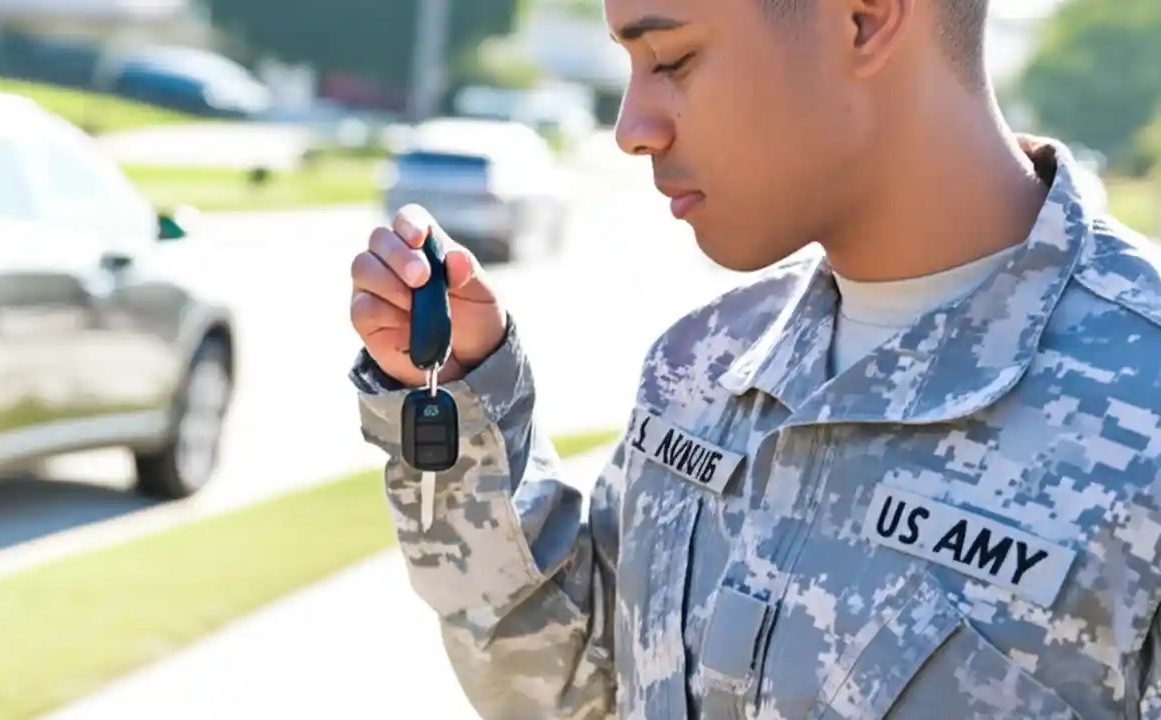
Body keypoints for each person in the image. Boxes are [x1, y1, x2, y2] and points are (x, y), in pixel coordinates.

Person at [347, 0, 1161, 716]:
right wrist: (456, 392)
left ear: (865, 19)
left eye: (671, 59)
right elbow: (586, 689)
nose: (631, 128)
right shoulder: (702, 362)